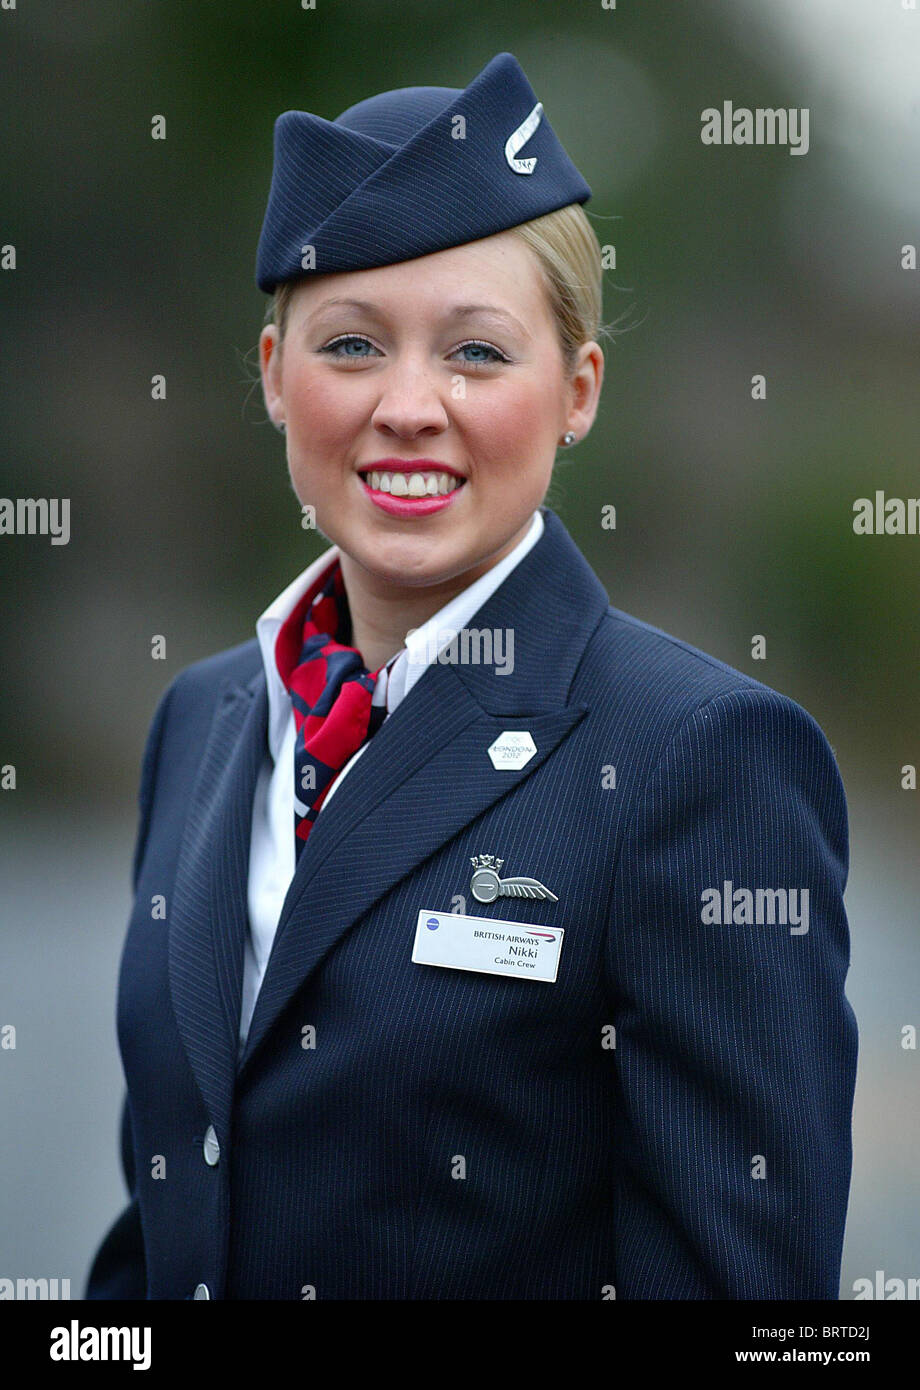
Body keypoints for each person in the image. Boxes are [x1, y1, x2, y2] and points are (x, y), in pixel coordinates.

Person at [85, 51, 857, 1301]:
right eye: (349, 344)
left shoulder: (701, 758)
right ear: (275, 375)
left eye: (478, 354)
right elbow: (171, 1215)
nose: (407, 406)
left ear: (577, 392)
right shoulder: (204, 718)